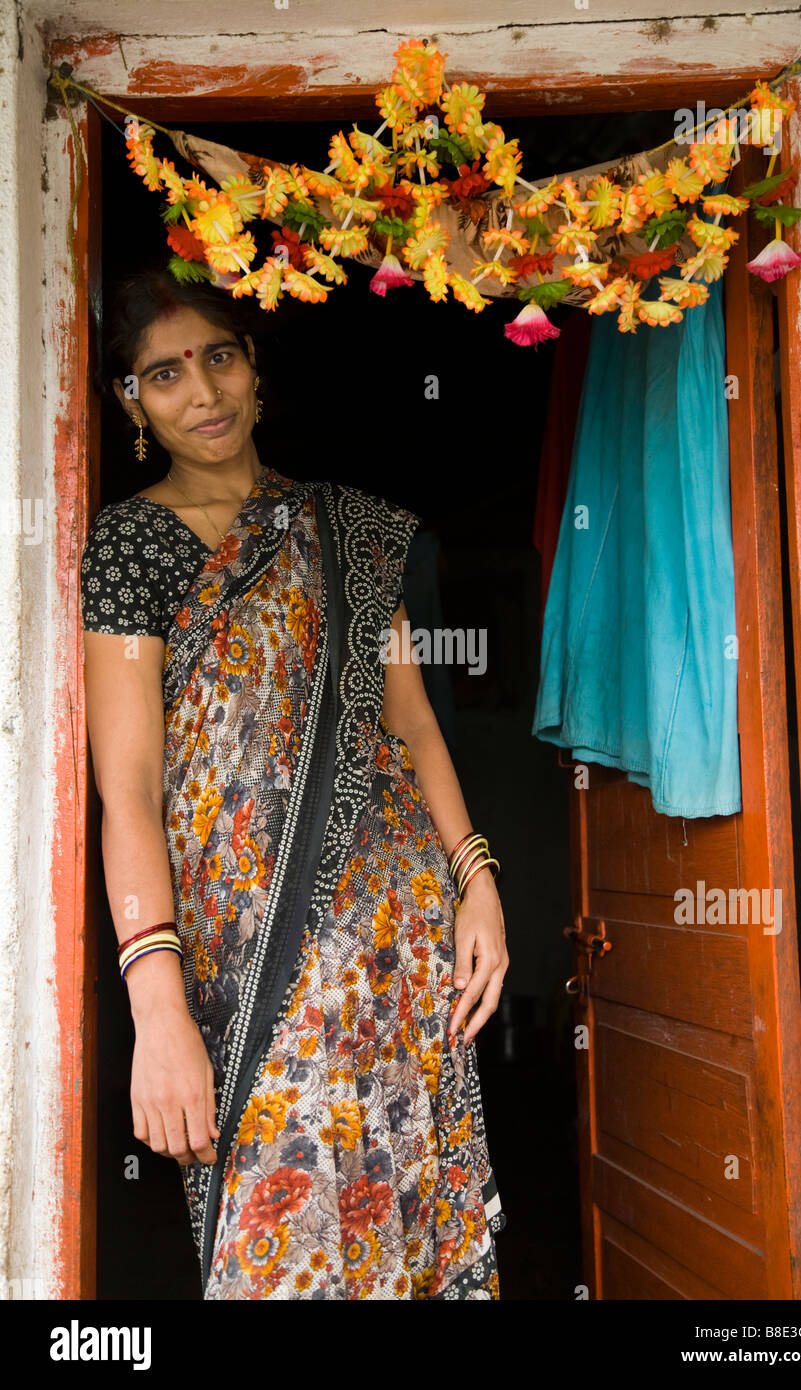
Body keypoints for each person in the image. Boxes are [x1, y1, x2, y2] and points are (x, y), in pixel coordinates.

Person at [80, 269, 507, 1300]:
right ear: (131, 402)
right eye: (165, 374)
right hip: (247, 965)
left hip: (398, 949)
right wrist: (158, 1009)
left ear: (254, 367)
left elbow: (407, 723)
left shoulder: (348, 532)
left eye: (218, 357)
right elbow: (127, 788)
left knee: (407, 1227)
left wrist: (477, 879)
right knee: (277, 1248)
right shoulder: (131, 544)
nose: (202, 392)